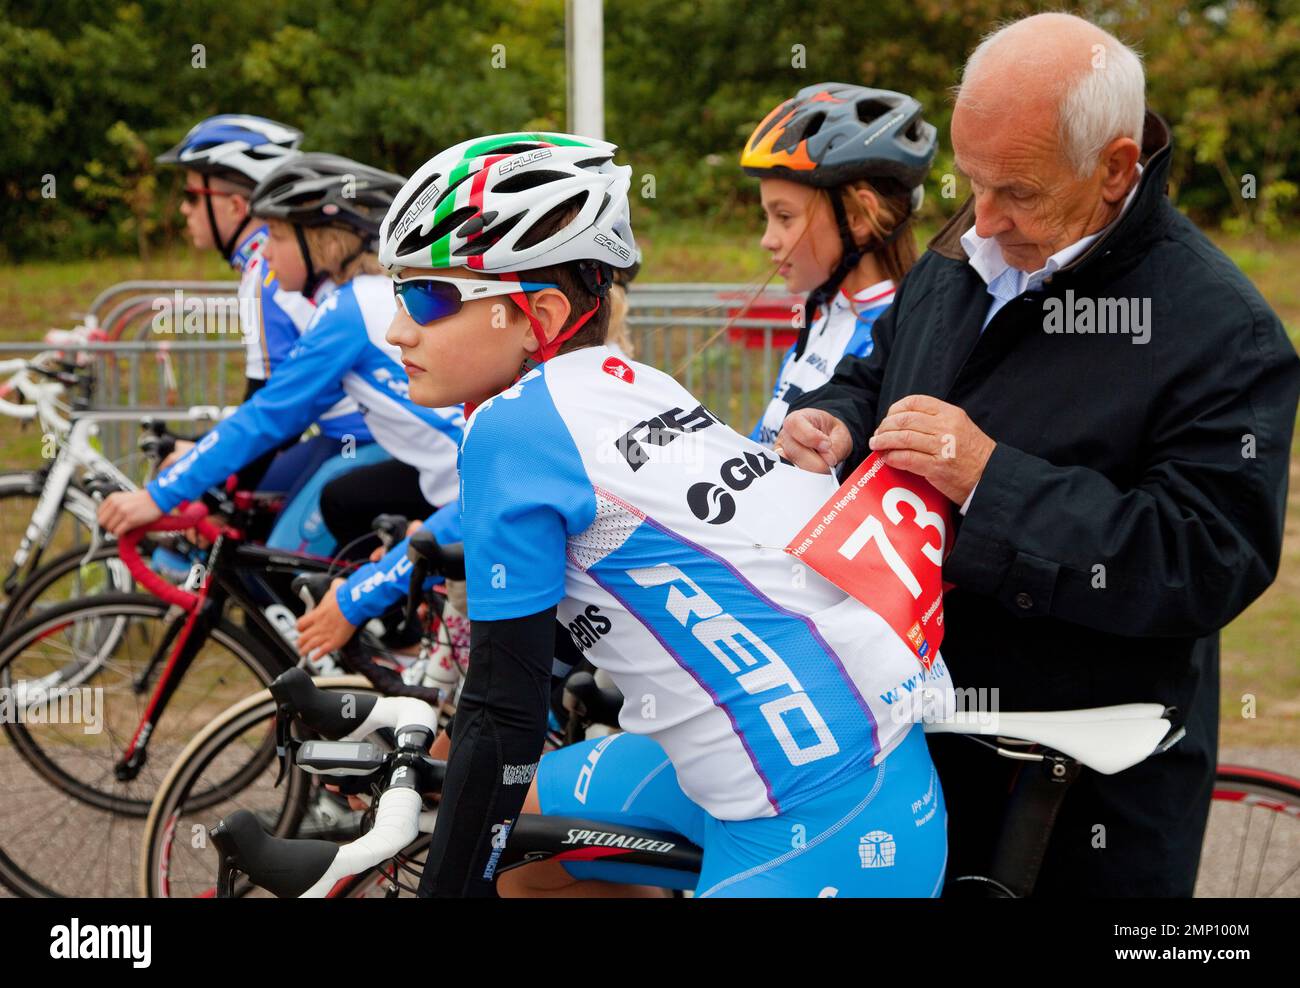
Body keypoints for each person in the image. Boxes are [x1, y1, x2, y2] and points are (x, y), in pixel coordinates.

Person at [778, 12, 1300, 896]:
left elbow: (1209, 558)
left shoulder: (1222, 329)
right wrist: (836, 421)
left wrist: (991, 479)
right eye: (969, 181)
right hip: (913, 750)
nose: (981, 219)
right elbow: (881, 371)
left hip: (1077, 802)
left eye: (1015, 191)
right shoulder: (976, 239)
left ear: (1115, 169)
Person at [376, 131, 953, 898]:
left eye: (430, 296)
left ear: (539, 314)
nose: (397, 330)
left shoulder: (510, 427)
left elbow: (501, 714)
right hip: (848, 750)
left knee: (485, 847)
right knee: (527, 859)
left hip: (823, 820)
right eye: (397, 293)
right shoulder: (631, 380)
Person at [98, 154, 464, 542]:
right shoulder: (363, 298)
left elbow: (268, 417)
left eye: (277, 235)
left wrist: (159, 496)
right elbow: (274, 414)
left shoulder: (348, 311)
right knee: (342, 502)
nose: (266, 252)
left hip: (465, 480)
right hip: (450, 470)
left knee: (306, 549)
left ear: (322, 242)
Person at [154, 114, 375, 501]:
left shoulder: (263, 271)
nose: (183, 211)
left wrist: (208, 478)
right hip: (352, 434)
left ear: (235, 206)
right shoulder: (288, 264)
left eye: (192, 197)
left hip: (353, 436)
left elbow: (268, 408)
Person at [740, 84, 936, 448]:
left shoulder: (896, 338)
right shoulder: (827, 310)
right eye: (767, 217)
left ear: (859, 216)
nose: (768, 239)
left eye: (784, 216)